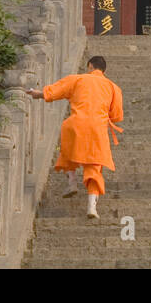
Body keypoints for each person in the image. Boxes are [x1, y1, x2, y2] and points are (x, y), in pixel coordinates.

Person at [26, 56, 123, 220]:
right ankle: (91, 206)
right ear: (104, 70)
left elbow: (57, 90)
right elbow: (116, 115)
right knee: (94, 167)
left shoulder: (78, 79)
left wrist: (39, 94)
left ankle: (71, 182)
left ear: (90, 66)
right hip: (97, 130)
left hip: (75, 125)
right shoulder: (113, 87)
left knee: (67, 152)